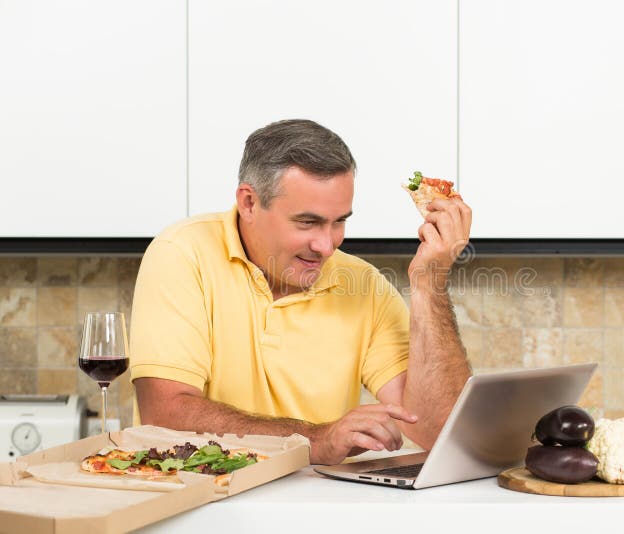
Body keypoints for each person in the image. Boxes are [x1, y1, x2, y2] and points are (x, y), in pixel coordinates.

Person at [129, 119, 472, 465]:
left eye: (339, 221)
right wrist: (314, 439)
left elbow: (440, 432)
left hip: (316, 507)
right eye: (307, 222)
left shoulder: (364, 286)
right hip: (201, 504)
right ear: (249, 202)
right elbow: (165, 412)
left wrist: (431, 282)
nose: (326, 246)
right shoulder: (182, 253)